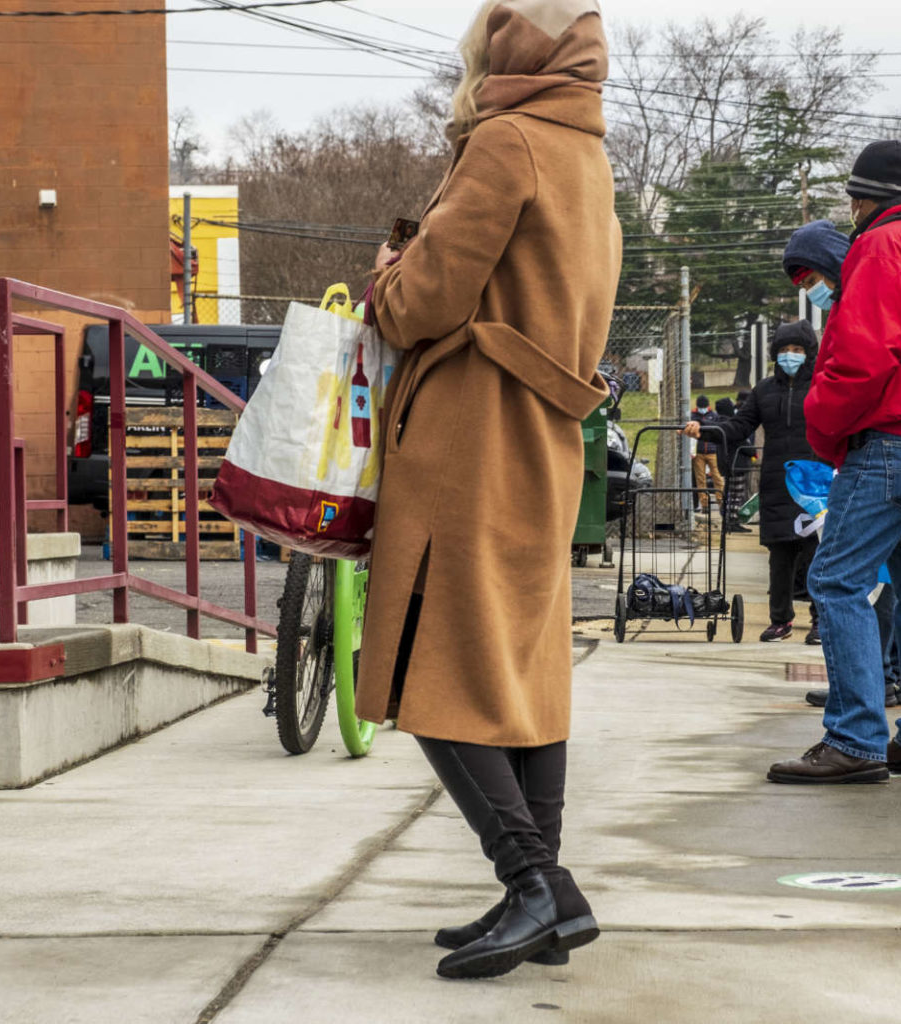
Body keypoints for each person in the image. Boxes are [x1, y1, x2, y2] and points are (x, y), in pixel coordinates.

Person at [354, 0, 614, 980]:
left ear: (503, 49)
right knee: (523, 672)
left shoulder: (505, 140)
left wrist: (389, 278)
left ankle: (537, 883)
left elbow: (429, 299)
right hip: (545, 433)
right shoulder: (587, 152)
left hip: (472, 429)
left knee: (437, 661)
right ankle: (533, 899)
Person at [768, 140, 901, 785]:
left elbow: (862, 356)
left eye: (852, 198)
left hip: (889, 435)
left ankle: (855, 737)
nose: (849, 210)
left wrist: (821, 426)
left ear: (866, 198)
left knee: (834, 580)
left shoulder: (884, 244)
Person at [691, 321, 826, 643]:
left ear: (809, 353)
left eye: (797, 350)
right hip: (777, 480)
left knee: (817, 554)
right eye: (783, 350)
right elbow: (740, 426)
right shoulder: (764, 389)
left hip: (817, 482)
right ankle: (780, 620)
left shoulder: (824, 384)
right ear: (774, 354)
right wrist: (705, 430)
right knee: (780, 555)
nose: (790, 355)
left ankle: (822, 621)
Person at [713, 397, 750, 534]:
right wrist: (751, 451)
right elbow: (741, 442)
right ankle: (732, 521)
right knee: (736, 494)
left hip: (725, 463)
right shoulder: (730, 425)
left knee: (729, 493)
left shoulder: (717, 424)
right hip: (736, 463)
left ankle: (727, 519)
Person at [689, 395, 725, 513]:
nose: (702, 409)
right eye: (700, 407)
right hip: (699, 452)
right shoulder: (693, 416)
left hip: (713, 451)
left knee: (717, 477)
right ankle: (704, 504)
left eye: (704, 407)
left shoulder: (714, 416)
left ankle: (721, 502)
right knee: (700, 479)